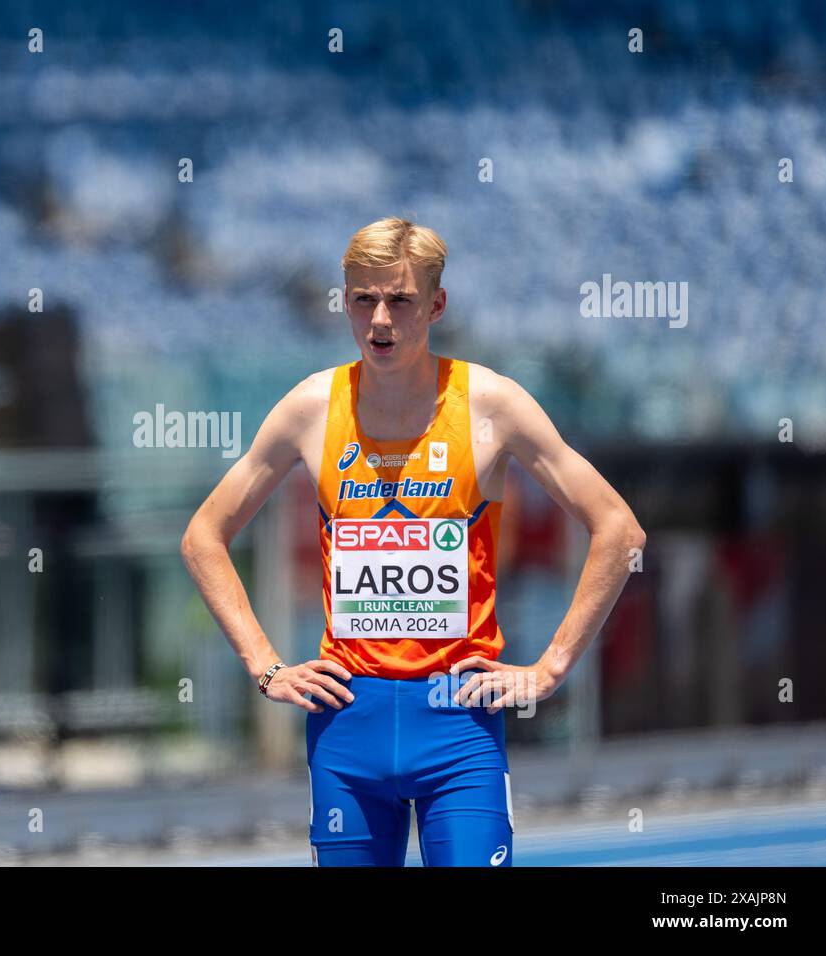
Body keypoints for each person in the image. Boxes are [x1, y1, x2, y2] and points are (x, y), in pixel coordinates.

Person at [180, 217, 645, 866]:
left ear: (436, 303)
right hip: (348, 723)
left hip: (457, 723)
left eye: (399, 300)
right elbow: (204, 534)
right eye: (362, 299)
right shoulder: (311, 408)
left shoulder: (491, 404)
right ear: (343, 300)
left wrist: (551, 667)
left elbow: (618, 527)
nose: (379, 320)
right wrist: (265, 666)